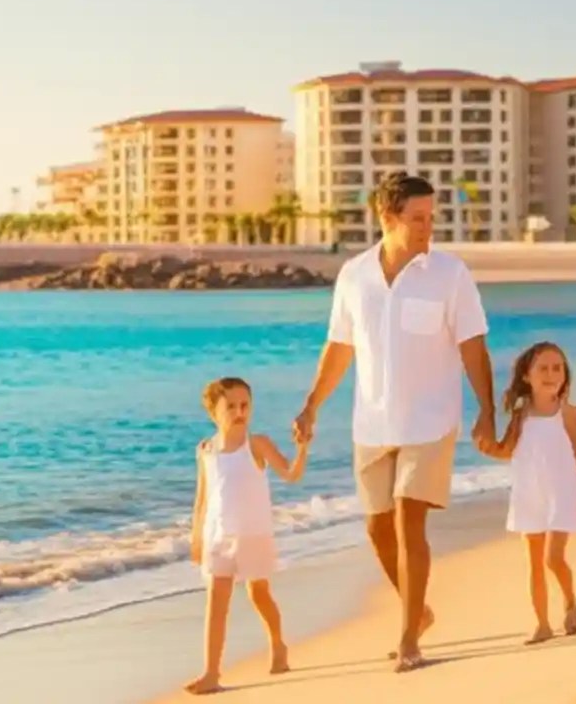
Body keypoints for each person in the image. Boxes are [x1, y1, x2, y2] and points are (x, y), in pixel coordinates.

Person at [292, 172, 496, 673]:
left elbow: (473, 346)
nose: (429, 227)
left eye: (432, 217)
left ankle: (409, 640)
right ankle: (418, 609)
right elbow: (340, 347)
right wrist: (312, 403)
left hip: (430, 420)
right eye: (418, 218)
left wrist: (488, 410)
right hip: (371, 422)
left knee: (409, 521)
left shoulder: (450, 274)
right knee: (377, 528)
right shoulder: (354, 275)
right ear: (387, 218)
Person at [186, 377, 309, 695]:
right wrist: (197, 536)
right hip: (218, 536)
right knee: (217, 602)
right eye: (231, 406)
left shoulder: (257, 445)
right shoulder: (206, 451)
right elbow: (202, 499)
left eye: (245, 405)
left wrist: (302, 448)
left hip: (252, 534)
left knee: (259, 594)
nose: (240, 412)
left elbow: (292, 475)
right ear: (214, 411)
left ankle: (278, 643)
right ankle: (211, 673)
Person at [482, 341, 576, 644]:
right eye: (543, 368)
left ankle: (570, 601)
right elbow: (509, 451)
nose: (551, 374)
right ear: (526, 377)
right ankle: (542, 624)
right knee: (533, 561)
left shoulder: (569, 414)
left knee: (552, 558)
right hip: (529, 492)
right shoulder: (521, 415)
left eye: (557, 368)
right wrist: (487, 446)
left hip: (563, 492)